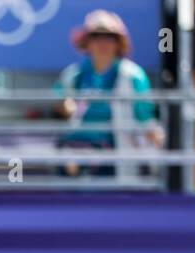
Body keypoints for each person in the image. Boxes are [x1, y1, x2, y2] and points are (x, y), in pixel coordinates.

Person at [52, 9, 161, 172]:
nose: (102, 43)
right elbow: (58, 99)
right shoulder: (75, 74)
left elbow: (145, 116)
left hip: (116, 151)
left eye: (109, 37)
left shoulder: (133, 76)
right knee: (69, 167)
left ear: (118, 43)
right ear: (87, 42)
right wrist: (65, 106)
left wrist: (159, 148)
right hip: (77, 147)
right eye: (96, 37)